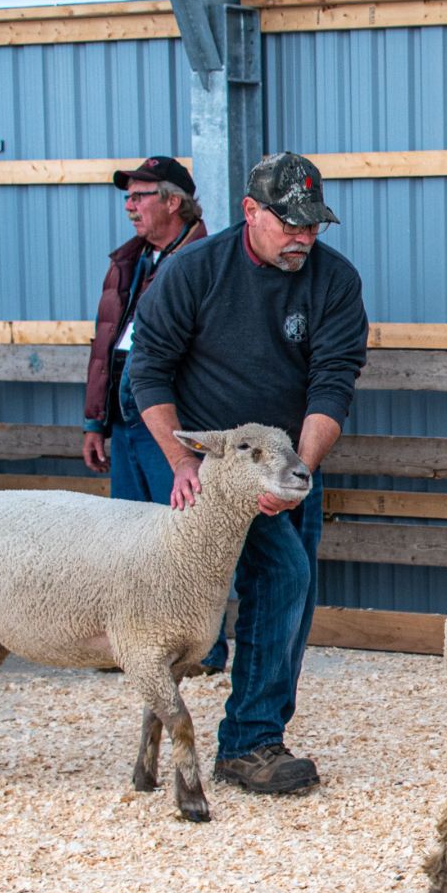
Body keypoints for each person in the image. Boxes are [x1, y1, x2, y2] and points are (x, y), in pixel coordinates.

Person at [128, 152, 368, 796]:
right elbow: (147, 369)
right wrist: (183, 462)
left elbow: (331, 383)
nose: (303, 238)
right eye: (289, 224)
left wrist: (299, 475)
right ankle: (250, 741)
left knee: (294, 589)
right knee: (283, 574)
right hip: (220, 465)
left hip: (289, 458)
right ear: (250, 213)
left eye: (313, 226)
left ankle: (258, 729)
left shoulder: (334, 281)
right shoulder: (194, 273)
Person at [82, 156, 221, 669]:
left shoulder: (205, 259)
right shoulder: (131, 260)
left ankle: (200, 647)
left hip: (175, 417)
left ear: (173, 201)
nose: (130, 206)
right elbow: (106, 345)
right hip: (126, 415)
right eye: (128, 197)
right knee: (128, 536)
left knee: (184, 536)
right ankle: (138, 644)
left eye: (140, 196)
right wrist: (96, 419)